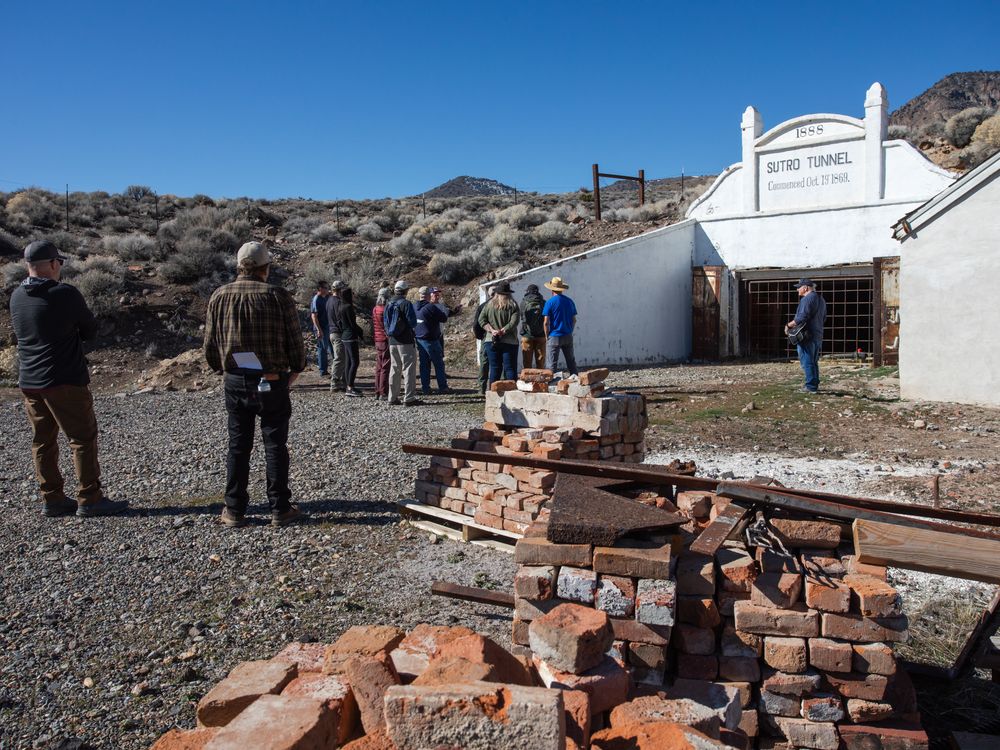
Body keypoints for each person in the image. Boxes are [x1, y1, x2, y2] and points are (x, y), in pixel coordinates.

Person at [9, 240, 128, 518]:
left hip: (29, 380)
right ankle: (90, 497)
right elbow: (90, 330)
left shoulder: (16, 296)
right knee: (82, 438)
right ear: (52, 264)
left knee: (43, 440)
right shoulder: (65, 294)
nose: (59, 267)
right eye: (58, 263)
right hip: (63, 378)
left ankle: (52, 498)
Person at [204, 241, 306, 528]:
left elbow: (210, 344)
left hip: (235, 381)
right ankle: (279, 508)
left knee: (238, 445)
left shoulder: (220, 295)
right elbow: (294, 339)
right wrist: (296, 368)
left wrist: (220, 368)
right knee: (275, 444)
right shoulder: (277, 295)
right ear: (266, 268)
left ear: (239, 266)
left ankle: (234, 509)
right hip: (272, 381)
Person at [786, 278, 827, 393]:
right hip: (817, 334)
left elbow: (801, 317)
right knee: (813, 361)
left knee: (807, 360)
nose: (797, 290)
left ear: (805, 288)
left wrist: (788, 325)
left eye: (799, 287)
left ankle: (810, 387)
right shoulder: (821, 299)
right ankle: (814, 384)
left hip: (807, 335)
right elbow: (824, 317)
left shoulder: (807, 299)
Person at [385, 279, 422, 406]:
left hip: (392, 341)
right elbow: (412, 322)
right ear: (405, 291)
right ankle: (409, 397)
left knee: (394, 369)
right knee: (408, 370)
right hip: (405, 341)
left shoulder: (389, 303)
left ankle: (392, 397)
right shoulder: (406, 304)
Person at [478, 281, 520, 382]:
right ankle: (512, 393)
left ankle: (493, 394)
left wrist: (492, 330)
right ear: (509, 293)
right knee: (510, 368)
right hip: (509, 341)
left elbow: (481, 320)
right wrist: (503, 330)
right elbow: (514, 322)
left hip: (491, 340)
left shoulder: (489, 305)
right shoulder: (513, 305)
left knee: (495, 368)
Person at [414, 285, 450, 395]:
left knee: (424, 365)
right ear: (429, 296)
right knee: (438, 364)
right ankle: (443, 387)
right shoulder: (431, 307)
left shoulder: (414, 306)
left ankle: (425, 388)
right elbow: (443, 318)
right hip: (431, 339)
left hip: (419, 338)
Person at [542, 276, 578, 375]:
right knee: (571, 362)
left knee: (551, 365)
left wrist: (546, 336)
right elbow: (574, 320)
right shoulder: (570, 301)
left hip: (554, 335)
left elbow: (546, 322)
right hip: (567, 334)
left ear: (551, 289)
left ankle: (550, 385)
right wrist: (570, 330)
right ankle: (576, 381)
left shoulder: (549, 302)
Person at [338, 286, 364, 397]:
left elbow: (339, 322)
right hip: (351, 336)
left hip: (344, 336)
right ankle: (350, 387)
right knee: (355, 361)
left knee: (348, 362)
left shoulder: (340, 306)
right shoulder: (348, 307)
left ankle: (348, 385)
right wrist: (360, 332)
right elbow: (352, 324)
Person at [473, 286, 495, 393]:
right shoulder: (502, 305)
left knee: (484, 363)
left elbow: (476, 324)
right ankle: (497, 386)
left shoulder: (483, 306)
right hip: (500, 337)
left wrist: (479, 336)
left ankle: (482, 388)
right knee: (498, 363)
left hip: (486, 337)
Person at [519, 283, 546, 370]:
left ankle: (527, 381)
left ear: (527, 291)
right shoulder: (543, 302)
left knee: (527, 362)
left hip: (526, 335)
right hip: (541, 335)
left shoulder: (523, 302)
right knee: (540, 362)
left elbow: (522, 317)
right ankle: (540, 381)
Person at [325, 280, 346, 391]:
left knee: (340, 357)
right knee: (339, 358)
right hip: (338, 333)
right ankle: (334, 382)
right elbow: (339, 318)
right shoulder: (338, 302)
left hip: (332, 332)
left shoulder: (329, 301)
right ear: (340, 290)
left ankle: (341, 382)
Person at [372, 286, 391, 400]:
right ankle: (384, 392)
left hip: (377, 340)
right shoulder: (386, 309)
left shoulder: (375, 309)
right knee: (385, 366)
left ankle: (377, 391)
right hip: (385, 339)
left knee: (379, 367)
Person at [309, 280, 332, 376]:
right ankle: (323, 371)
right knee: (322, 349)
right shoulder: (316, 299)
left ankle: (336, 369)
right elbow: (314, 316)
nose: (327, 290)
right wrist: (319, 330)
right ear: (320, 289)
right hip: (321, 327)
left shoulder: (326, 298)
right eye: (326, 288)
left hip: (329, 326)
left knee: (331, 348)